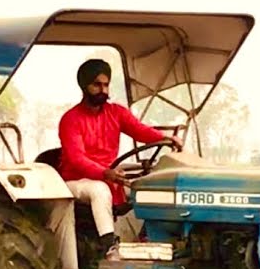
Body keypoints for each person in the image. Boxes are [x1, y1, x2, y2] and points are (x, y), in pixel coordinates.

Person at [57, 58, 181, 257]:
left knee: (149, 189)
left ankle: (153, 241)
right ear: (84, 86)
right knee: (99, 190)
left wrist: (166, 138)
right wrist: (105, 173)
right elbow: (76, 158)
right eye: (97, 85)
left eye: (106, 85)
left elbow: (140, 131)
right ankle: (109, 247)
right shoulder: (71, 119)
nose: (103, 90)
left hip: (110, 175)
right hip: (76, 181)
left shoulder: (116, 112)